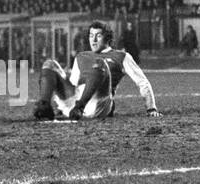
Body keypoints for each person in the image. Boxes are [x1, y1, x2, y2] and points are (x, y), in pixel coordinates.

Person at [32, 21, 161, 120]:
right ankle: (44, 105)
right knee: (50, 63)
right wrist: (62, 106)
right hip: (75, 101)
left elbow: (142, 82)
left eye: (98, 36)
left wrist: (151, 108)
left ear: (108, 38)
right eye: (91, 35)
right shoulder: (81, 56)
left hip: (99, 103)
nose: (93, 40)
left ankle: (79, 107)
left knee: (99, 63)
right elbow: (73, 84)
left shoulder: (121, 56)